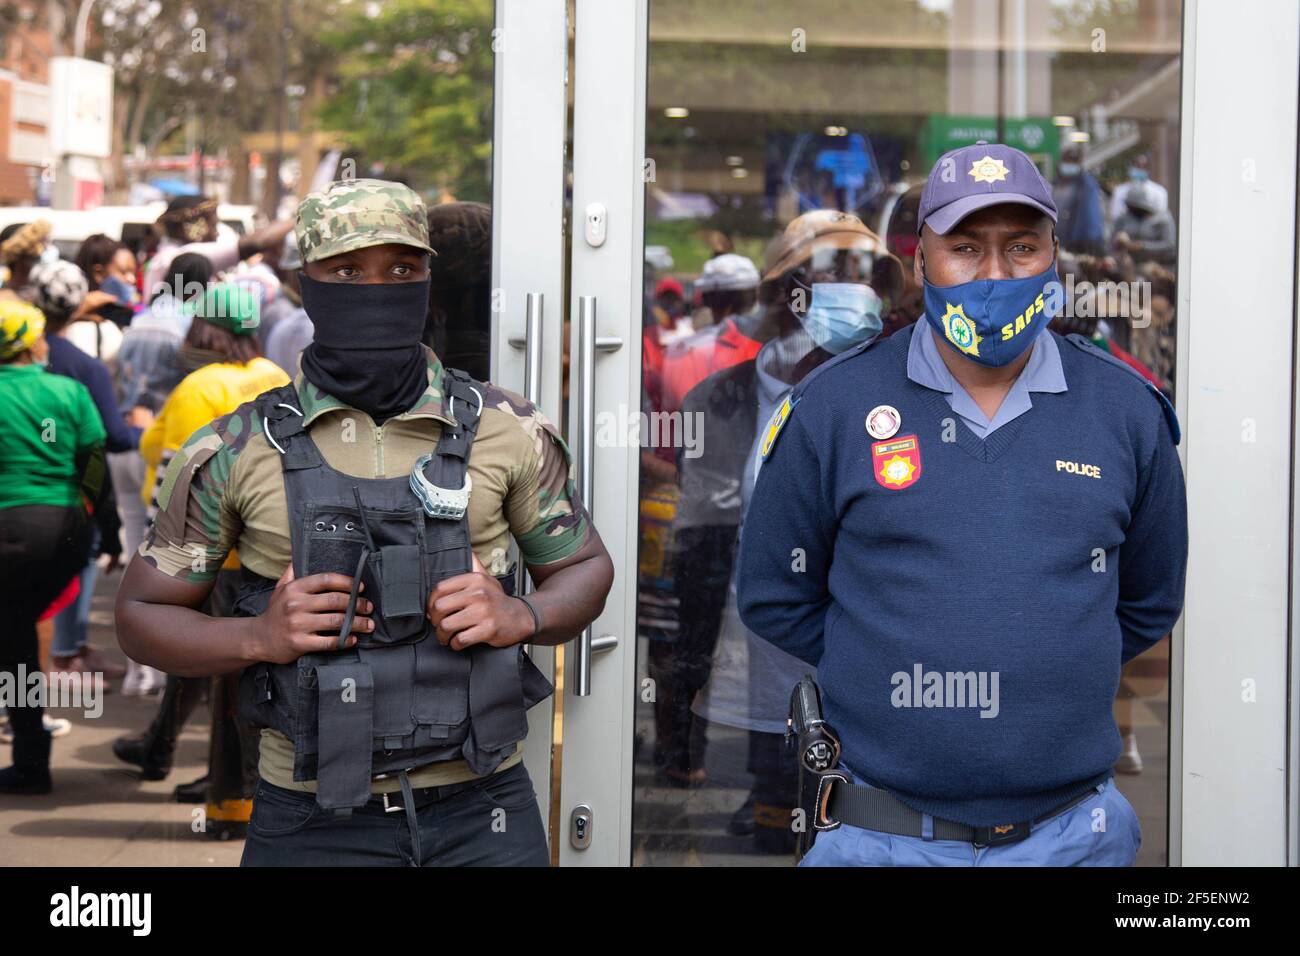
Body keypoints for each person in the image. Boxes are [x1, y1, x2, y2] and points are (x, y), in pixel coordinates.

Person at [117, 178, 614, 866]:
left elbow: (585, 567)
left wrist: (520, 615)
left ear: (428, 284)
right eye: (348, 271)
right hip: (309, 815)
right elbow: (141, 613)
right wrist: (259, 635)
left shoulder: (508, 429)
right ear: (307, 286)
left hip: (484, 812)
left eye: (402, 270)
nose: (377, 289)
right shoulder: (236, 446)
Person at [736, 143, 1187, 866]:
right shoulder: (833, 406)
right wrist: (886, 659)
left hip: (1074, 839)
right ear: (921, 262)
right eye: (966, 248)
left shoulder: (1126, 410)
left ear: (1053, 257)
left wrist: (1040, 659)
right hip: (877, 837)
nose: (994, 273)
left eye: (1020, 247)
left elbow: (1147, 601)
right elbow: (773, 595)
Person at [673, 211, 902, 846]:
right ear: (785, 291)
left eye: (863, 273)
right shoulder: (714, 400)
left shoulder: (906, 399)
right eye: (830, 274)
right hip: (751, 676)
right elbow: (696, 546)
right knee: (772, 833)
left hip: (873, 684)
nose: (851, 288)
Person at [113, 282, 290, 791]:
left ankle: (233, 790)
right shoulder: (273, 375)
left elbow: (179, 480)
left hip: (207, 556)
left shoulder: (199, 388)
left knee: (218, 671)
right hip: (261, 550)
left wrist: (156, 559)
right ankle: (181, 758)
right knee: (223, 670)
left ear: (203, 331)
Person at [0, 300, 106, 794]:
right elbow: (95, 459)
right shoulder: (68, 390)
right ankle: (29, 760)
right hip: (62, 531)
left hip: (12, 528)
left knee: (16, 638)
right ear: (31, 342)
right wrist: (89, 515)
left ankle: (30, 762)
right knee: (18, 635)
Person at [29, 259, 143, 683]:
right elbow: (111, 437)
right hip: (71, 492)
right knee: (78, 561)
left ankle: (63, 653)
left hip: (23, 498)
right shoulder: (84, 368)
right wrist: (143, 430)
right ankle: (63, 653)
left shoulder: (17, 367)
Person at [142, 195, 293, 299]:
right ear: (192, 228)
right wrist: (304, 214)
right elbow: (257, 242)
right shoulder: (184, 257)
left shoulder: (166, 257)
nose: (217, 234)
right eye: (214, 226)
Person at [1052, 146, 1106, 257]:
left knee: (1070, 273)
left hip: (1077, 246)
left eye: (1074, 161)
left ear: (1080, 163)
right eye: (1067, 160)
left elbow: (1091, 217)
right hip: (1054, 244)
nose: (1070, 164)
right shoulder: (1054, 184)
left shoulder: (1086, 185)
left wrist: (1086, 243)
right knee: (1059, 272)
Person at [1111, 184, 1177, 267]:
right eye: (1129, 206)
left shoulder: (1163, 219)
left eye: (1133, 206)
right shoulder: (1124, 218)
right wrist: (1120, 242)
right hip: (1130, 265)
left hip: (1160, 265)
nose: (1130, 209)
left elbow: (1170, 245)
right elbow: (1112, 241)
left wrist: (1143, 246)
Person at [1108, 153, 1168, 225]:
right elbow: (1115, 216)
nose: (1140, 169)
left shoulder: (1159, 191)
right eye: (1137, 165)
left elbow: (1162, 217)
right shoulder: (1120, 191)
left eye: (1143, 166)